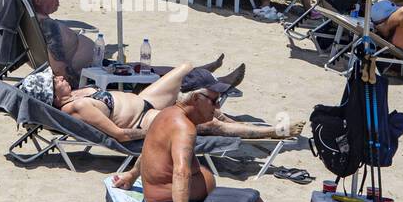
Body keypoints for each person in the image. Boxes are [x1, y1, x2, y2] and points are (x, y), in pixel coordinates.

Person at [109, 77, 338, 202]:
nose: (218, 107)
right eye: (214, 100)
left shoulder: (166, 114)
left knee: (252, 198)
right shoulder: (183, 127)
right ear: (196, 98)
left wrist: (131, 175)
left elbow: (150, 151)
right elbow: (181, 171)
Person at [26, 0, 232, 87]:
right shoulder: (49, 27)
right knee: (150, 76)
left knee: (148, 69)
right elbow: (60, 71)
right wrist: (87, 83)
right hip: (95, 79)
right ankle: (210, 81)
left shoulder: (35, 24)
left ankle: (200, 72)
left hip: (100, 70)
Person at [43, 62, 298, 145]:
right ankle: (271, 132)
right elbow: (119, 135)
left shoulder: (76, 94)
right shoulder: (75, 107)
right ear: (53, 95)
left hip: (145, 101)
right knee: (209, 122)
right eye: (56, 81)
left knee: (184, 68)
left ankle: (208, 78)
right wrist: (159, 129)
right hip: (145, 120)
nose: (61, 77)